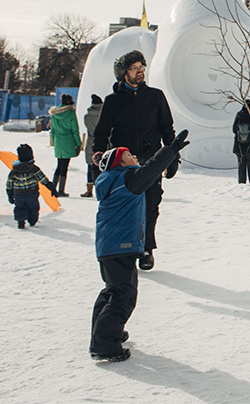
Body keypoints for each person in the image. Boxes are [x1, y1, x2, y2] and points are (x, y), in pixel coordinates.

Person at [90, 132, 189, 362]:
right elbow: (152, 169)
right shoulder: (126, 180)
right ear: (119, 163)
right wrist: (171, 150)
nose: (134, 156)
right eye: (128, 155)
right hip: (120, 245)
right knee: (123, 295)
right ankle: (104, 344)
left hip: (111, 246)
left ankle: (106, 332)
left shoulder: (113, 179)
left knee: (113, 290)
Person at [92, 51, 177, 271]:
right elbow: (101, 132)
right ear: (123, 73)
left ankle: (146, 249)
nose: (140, 71)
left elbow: (167, 128)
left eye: (142, 67)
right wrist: (98, 154)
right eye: (134, 68)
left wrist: (172, 156)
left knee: (150, 206)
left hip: (151, 162)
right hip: (123, 166)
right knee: (125, 208)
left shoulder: (156, 96)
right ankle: (125, 247)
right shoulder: (113, 101)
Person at [6, 143, 54, 229]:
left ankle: (21, 221)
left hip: (18, 194)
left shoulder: (14, 170)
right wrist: (51, 188)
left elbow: (9, 183)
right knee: (33, 207)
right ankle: (32, 220)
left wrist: (10, 194)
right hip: (32, 193)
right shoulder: (34, 169)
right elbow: (43, 179)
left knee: (20, 207)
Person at [48, 94, 82, 197]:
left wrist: (54, 142)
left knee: (59, 165)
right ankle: (61, 190)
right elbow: (75, 130)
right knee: (64, 166)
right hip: (68, 141)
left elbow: (52, 131)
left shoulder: (54, 113)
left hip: (58, 141)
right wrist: (79, 144)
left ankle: (53, 188)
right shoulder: (71, 113)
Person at [81, 94, 103, 198]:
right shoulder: (103, 115)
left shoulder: (87, 116)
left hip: (90, 141)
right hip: (102, 141)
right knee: (102, 166)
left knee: (90, 166)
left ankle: (89, 190)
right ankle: (101, 188)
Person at [233, 105, 250, 184]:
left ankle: (242, 183)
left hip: (239, 146)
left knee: (241, 165)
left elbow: (234, 129)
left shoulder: (239, 115)